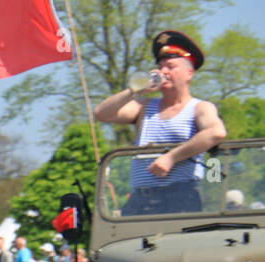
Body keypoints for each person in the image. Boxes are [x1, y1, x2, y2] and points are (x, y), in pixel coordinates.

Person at [95, 30, 226, 216]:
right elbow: (101, 113)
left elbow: (216, 132)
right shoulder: (144, 106)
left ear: (189, 73)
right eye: (160, 67)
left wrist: (171, 157)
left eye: (170, 67)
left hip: (180, 196)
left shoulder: (199, 108)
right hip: (140, 198)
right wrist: (134, 90)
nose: (163, 72)